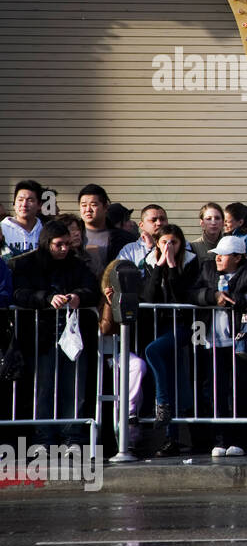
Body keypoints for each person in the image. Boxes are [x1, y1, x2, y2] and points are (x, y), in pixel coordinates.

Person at [10, 221, 99, 444]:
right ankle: (44, 437)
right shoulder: (27, 264)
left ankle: (72, 436)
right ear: (46, 243)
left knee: (73, 385)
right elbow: (20, 293)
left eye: (68, 244)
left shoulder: (76, 264)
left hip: (73, 333)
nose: (64, 249)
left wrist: (78, 296)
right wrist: (46, 298)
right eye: (59, 245)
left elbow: (91, 289)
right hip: (42, 335)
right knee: (44, 387)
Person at [190, 235, 247, 458]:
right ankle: (221, 439)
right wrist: (212, 295)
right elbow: (191, 293)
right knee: (216, 391)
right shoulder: (206, 268)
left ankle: (239, 441)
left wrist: (232, 299)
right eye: (216, 255)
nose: (217, 259)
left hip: (239, 340)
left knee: (241, 390)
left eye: (222, 255)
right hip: (211, 341)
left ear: (237, 257)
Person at [140, 224, 201, 456]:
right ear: (157, 243)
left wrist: (173, 267)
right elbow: (149, 296)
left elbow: (182, 296)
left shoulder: (191, 261)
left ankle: (162, 403)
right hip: (159, 324)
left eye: (173, 242)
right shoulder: (149, 261)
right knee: (172, 378)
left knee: (153, 351)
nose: (169, 247)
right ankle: (171, 438)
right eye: (164, 242)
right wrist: (159, 268)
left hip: (184, 325)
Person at [98, 260, 148, 455]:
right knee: (135, 366)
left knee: (137, 366)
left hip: (126, 350)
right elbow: (105, 329)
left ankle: (129, 414)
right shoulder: (102, 295)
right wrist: (111, 304)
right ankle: (127, 417)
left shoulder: (137, 294)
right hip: (107, 352)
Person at [78, 184, 133, 276]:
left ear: (105, 207)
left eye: (93, 205)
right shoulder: (70, 238)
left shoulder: (124, 239)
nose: (88, 209)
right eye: (83, 205)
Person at [1, 179, 44, 259]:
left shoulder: (45, 229)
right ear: (14, 204)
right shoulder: (2, 229)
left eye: (30, 200)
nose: (24, 204)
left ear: (39, 205)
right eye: (20, 200)